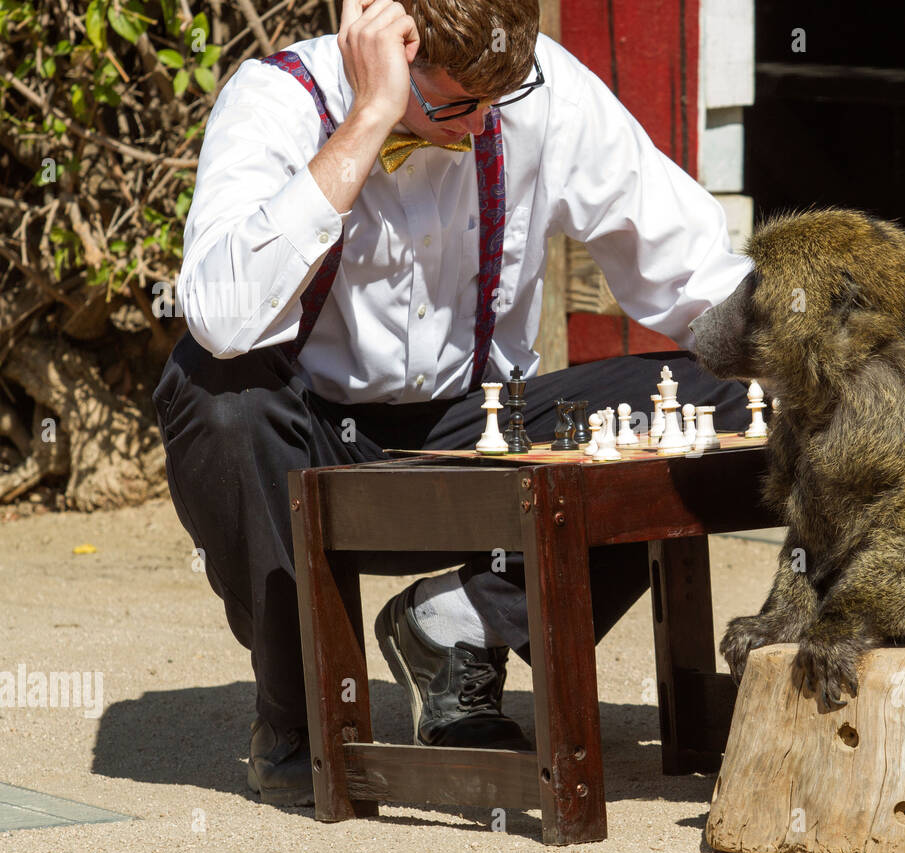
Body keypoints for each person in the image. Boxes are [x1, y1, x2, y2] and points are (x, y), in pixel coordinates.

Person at [152, 0, 753, 807]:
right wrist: (368, 120)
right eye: (454, 104)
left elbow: (693, 269)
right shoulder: (277, 99)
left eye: (494, 106)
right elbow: (221, 317)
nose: (476, 130)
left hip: (481, 427)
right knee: (210, 392)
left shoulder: (544, 91)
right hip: (309, 441)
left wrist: (833, 358)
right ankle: (300, 715)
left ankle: (460, 628)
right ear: (381, 46)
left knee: (734, 393)